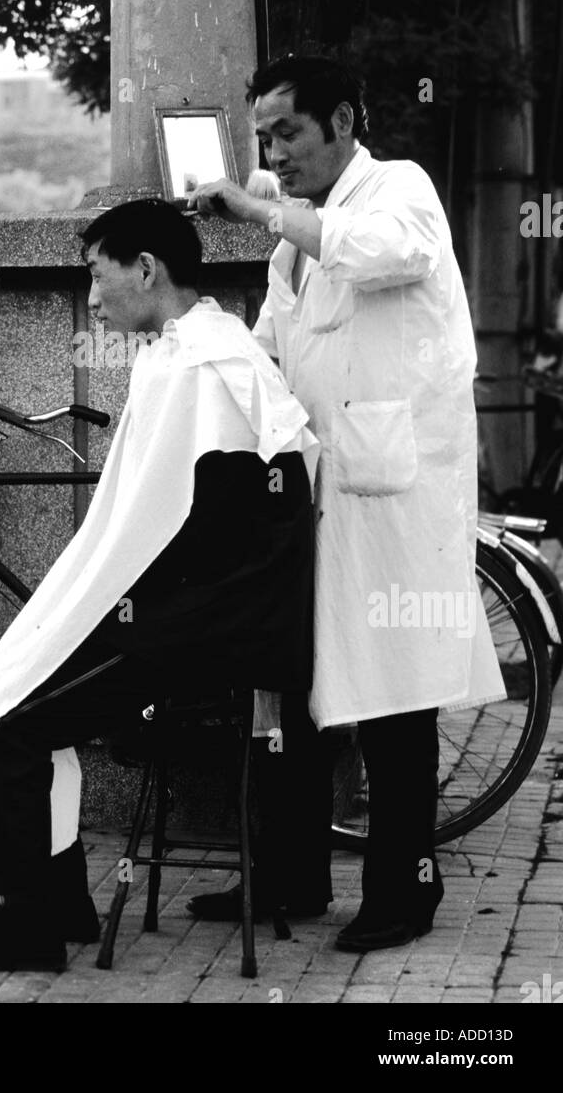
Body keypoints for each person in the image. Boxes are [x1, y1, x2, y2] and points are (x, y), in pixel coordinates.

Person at [0, 199, 320, 973]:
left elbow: (205, 532)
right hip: (192, 610)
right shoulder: (188, 350)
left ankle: (19, 930)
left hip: (207, 626)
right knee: (8, 699)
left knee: (1, 721)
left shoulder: (208, 364)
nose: (93, 300)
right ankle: (58, 906)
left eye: (99, 280)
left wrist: (118, 616)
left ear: (147, 269)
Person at [187, 54, 505, 953]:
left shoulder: (397, 191)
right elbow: (268, 349)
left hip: (395, 496)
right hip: (321, 491)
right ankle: (292, 872)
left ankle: (407, 891)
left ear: (345, 122)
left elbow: (388, 256)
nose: (275, 154)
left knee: (395, 701)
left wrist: (254, 209)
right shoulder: (300, 237)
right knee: (299, 681)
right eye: (262, 140)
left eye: (288, 133)